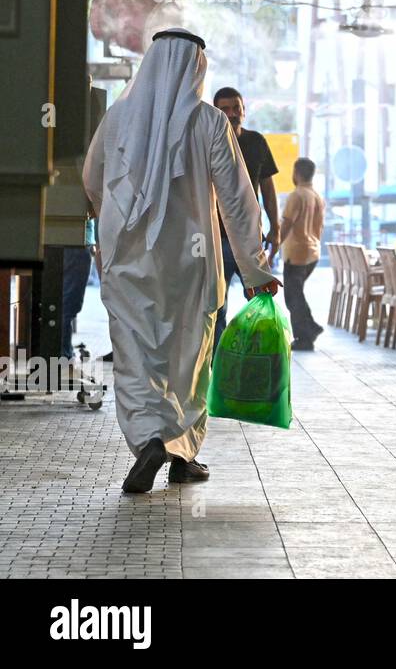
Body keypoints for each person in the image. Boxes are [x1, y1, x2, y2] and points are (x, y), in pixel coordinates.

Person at [82, 29, 278, 494]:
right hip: (191, 264)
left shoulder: (118, 118)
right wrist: (253, 268)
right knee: (189, 358)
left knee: (135, 357)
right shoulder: (209, 122)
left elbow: (93, 179)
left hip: (130, 264)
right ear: (195, 67)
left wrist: (107, 234)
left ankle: (150, 440)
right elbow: (236, 198)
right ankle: (180, 447)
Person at [212, 87, 281, 342]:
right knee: (216, 305)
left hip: (249, 237)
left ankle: (256, 352)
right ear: (216, 112)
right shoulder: (207, 142)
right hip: (215, 238)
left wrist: (276, 227)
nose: (231, 114)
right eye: (225, 109)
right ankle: (218, 360)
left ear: (244, 110)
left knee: (260, 299)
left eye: (236, 108)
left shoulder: (256, 142)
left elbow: (268, 187)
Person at [280, 157, 325, 351]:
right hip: (312, 252)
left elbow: (287, 223)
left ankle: (306, 334)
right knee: (296, 294)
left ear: (296, 173)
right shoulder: (317, 196)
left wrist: (274, 245)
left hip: (296, 252)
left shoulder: (297, 195)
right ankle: (309, 328)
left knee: (292, 296)